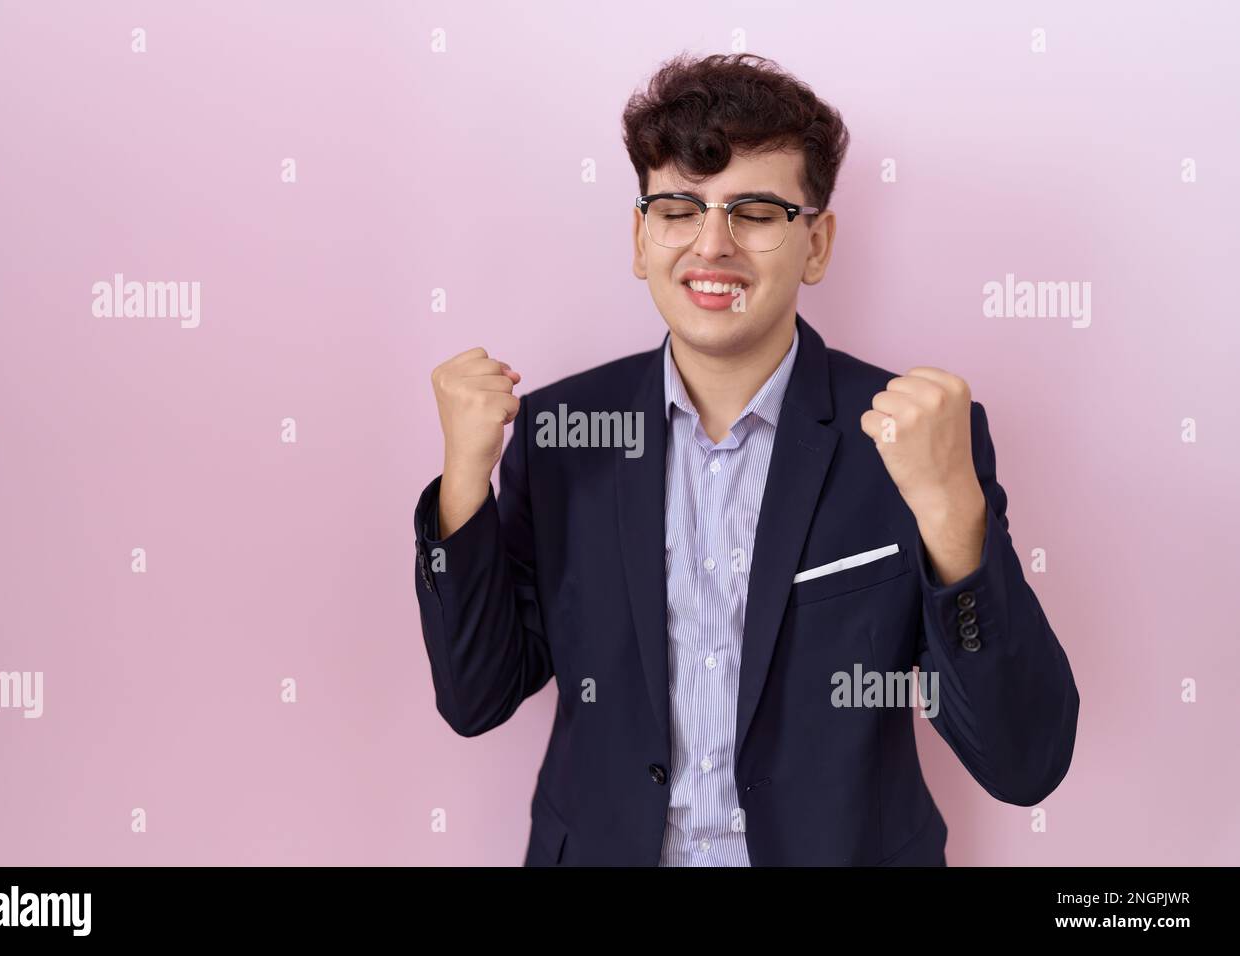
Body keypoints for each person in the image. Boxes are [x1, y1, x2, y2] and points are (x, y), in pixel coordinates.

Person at [412, 52, 1079, 866]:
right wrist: (463, 487)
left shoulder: (915, 439)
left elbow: (1025, 760)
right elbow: (476, 697)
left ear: (818, 243)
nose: (711, 246)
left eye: (756, 212)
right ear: (640, 235)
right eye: (678, 209)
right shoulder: (558, 433)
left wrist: (952, 516)